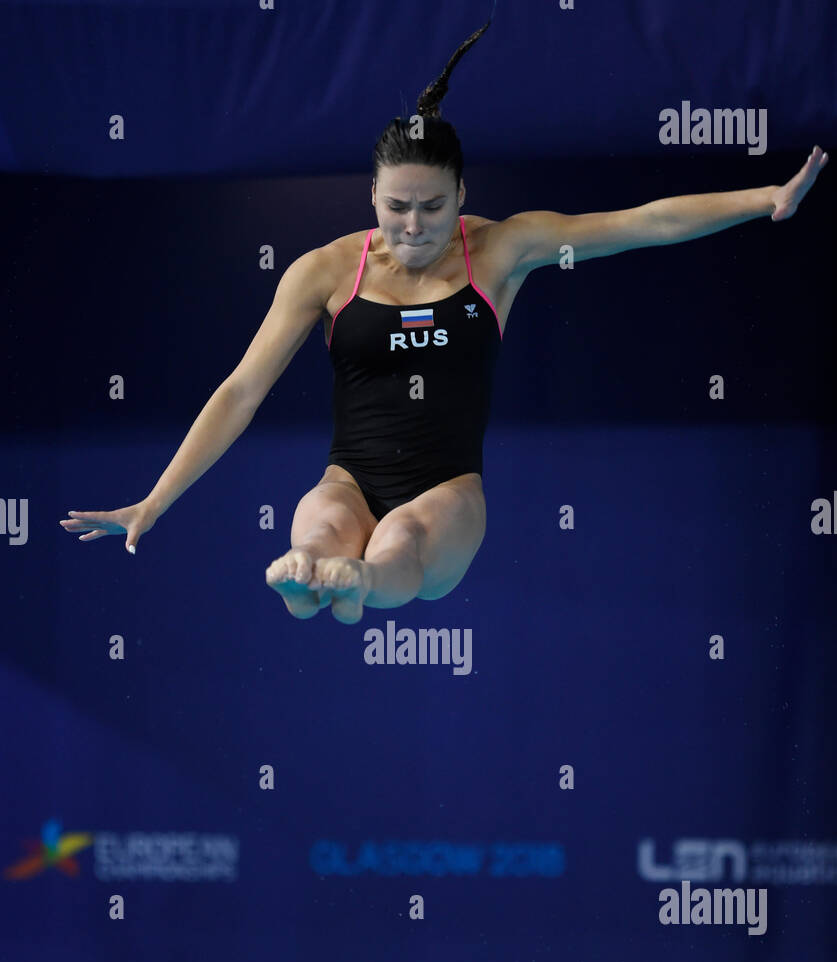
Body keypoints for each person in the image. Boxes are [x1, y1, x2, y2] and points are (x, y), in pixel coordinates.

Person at [59, 18, 828, 625]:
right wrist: (153, 501)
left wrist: (761, 198)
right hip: (349, 478)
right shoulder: (324, 272)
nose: (414, 225)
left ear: (461, 196)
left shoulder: (502, 249)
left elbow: (644, 221)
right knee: (320, 525)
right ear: (370, 196)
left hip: (448, 494)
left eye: (432, 207)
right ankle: (316, 581)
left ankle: (347, 586)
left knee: (401, 545)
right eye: (396, 207)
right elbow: (240, 392)